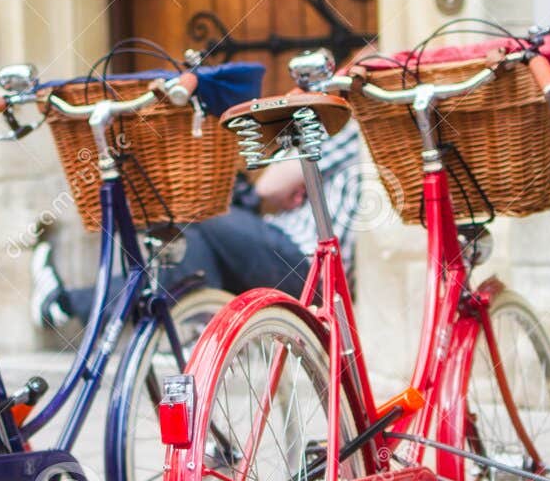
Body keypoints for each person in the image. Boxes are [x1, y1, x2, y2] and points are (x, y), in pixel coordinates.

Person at [30, 118, 364, 329]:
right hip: (300, 260)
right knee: (188, 260)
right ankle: (65, 305)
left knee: (198, 212)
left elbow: (269, 186)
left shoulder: (352, 128)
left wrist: (288, 188)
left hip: (306, 263)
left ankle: (192, 327)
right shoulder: (358, 137)